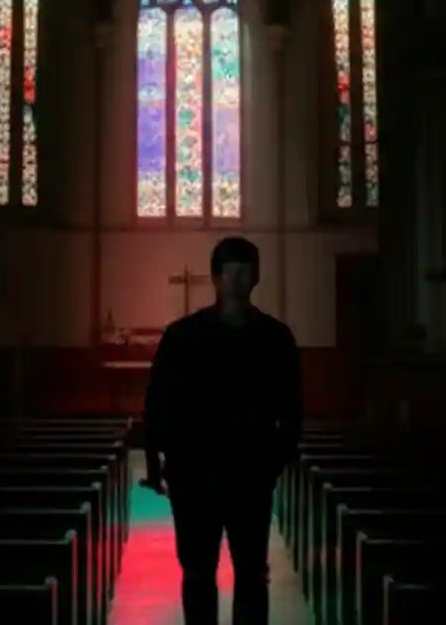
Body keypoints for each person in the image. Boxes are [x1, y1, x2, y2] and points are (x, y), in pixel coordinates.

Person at [141, 236, 303, 624]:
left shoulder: (274, 338)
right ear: (215, 277)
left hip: (250, 472)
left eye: (245, 271)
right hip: (195, 474)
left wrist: (277, 458)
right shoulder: (183, 337)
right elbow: (157, 402)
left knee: (250, 571)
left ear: (255, 276)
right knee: (197, 570)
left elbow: (292, 405)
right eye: (230, 271)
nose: (237, 280)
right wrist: (160, 459)